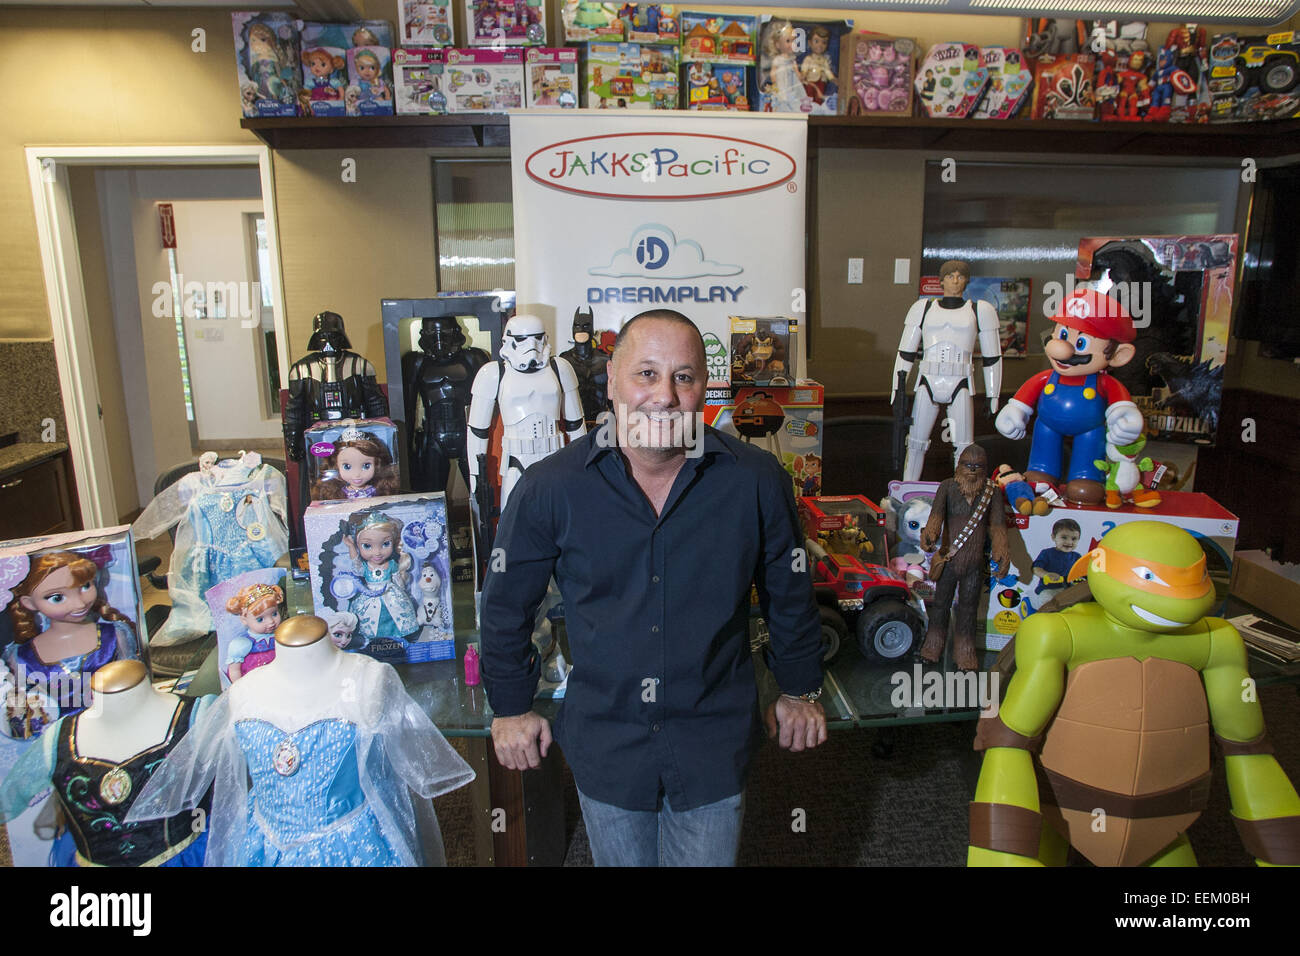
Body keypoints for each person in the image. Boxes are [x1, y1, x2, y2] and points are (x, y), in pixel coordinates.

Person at [480, 309, 827, 867]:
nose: (664, 396)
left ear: (702, 388)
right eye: (646, 373)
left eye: (684, 377)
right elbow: (505, 605)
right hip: (607, 741)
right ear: (612, 379)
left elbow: (790, 594)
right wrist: (510, 706)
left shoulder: (755, 482)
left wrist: (799, 689)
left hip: (713, 739)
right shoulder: (551, 488)